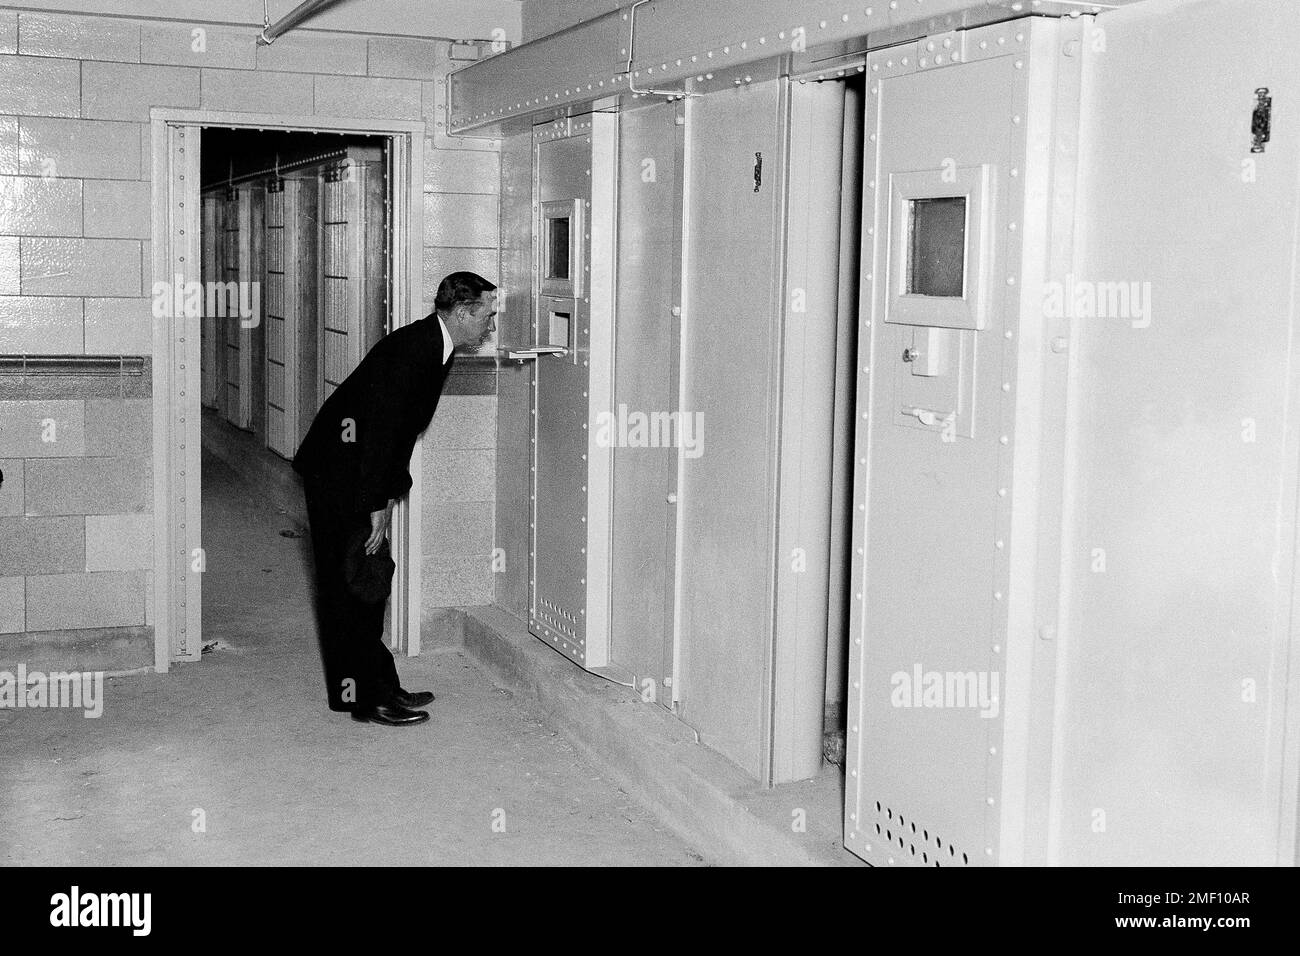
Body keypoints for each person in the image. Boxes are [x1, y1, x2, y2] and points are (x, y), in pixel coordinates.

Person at [293, 272, 498, 726]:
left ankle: (375, 687)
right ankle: (366, 701)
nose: (491, 325)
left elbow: (396, 432)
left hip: (354, 468)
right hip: (338, 472)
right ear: (462, 313)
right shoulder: (415, 350)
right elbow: (381, 436)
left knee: (366, 581)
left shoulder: (436, 344)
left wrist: (384, 493)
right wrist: (378, 505)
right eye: (487, 315)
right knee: (352, 586)